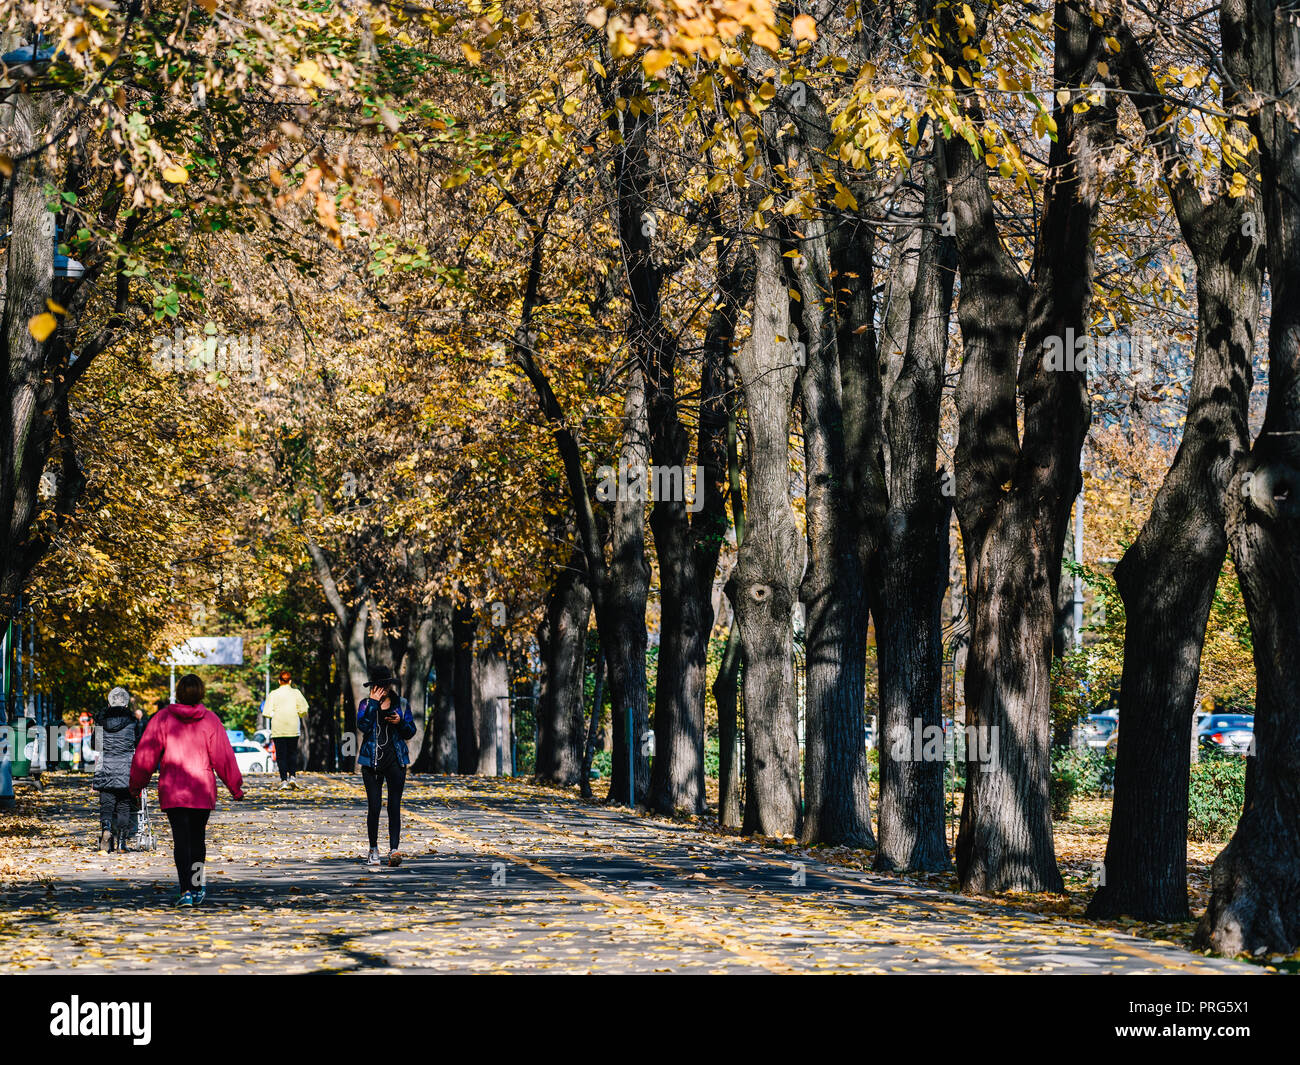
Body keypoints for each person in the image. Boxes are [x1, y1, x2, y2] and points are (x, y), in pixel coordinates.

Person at [129, 673, 243, 907]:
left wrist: (136, 784)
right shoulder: (210, 720)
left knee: (181, 842)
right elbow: (223, 757)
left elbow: (146, 755)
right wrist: (235, 787)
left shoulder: (162, 719)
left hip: (174, 789)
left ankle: (185, 892)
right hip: (201, 790)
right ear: (201, 692)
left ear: (178, 693)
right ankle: (198, 886)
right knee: (198, 841)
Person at [356, 666, 415, 868]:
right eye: (379, 685)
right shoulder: (365, 704)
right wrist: (373, 704)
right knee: (374, 807)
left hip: (395, 760)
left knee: (394, 806)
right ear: (373, 686)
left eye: (386, 684)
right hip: (371, 762)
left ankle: (394, 849)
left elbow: (410, 732)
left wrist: (399, 722)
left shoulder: (402, 704)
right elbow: (362, 726)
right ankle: (373, 849)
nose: (383, 688)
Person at [92, 687, 143, 853]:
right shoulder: (132, 723)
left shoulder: (100, 721)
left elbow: (95, 745)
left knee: (106, 804)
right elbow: (139, 744)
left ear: (108, 703)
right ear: (126, 705)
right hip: (126, 769)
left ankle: (106, 828)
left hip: (105, 767)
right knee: (123, 805)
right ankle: (122, 843)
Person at [264, 669, 309, 790]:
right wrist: (298, 713)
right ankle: (293, 777)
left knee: (281, 755)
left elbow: (266, 712)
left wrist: (275, 713)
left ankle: (284, 780)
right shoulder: (296, 693)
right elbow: (304, 708)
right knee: (292, 753)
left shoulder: (273, 694)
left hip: (278, 728)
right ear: (290, 681)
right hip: (293, 728)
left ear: (279, 681)